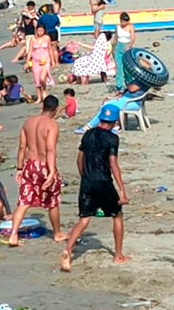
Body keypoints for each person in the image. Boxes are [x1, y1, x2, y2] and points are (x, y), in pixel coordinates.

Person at [61, 103, 130, 272]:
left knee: (84, 219)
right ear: (114, 122)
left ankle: (67, 250)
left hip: (87, 181)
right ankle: (118, 255)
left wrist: (84, 177)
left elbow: (79, 159)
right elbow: (113, 164)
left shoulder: (88, 134)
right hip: (104, 182)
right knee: (117, 215)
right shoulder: (113, 138)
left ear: (100, 118)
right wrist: (122, 189)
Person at [7, 95, 65, 246]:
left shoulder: (28, 122)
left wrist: (19, 168)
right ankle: (57, 233)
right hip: (45, 165)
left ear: (43, 107)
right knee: (52, 201)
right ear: (56, 109)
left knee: (24, 201)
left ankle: (13, 234)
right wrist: (52, 172)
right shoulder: (52, 125)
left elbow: (21, 147)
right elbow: (50, 149)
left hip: (30, 164)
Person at [74, 81, 147, 134]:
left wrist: (127, 81)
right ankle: (113, 125)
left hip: (132, 102)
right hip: (127, 100)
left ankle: (88, 127)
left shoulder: (142, 81)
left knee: (108, 106)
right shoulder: (139, 79)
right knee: (106, 103)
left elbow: (132, 89)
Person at [28, 24, 53, 102]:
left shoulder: (47, 38)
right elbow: (30, 51)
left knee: (42, 78)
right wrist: (27, 61)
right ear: (36, 30)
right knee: (37, 80)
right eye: (39, 30)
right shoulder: (32, 39)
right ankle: (39, 97)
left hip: (46, 60)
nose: (40, 32)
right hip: (36, 61)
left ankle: (44, 91)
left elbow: (50, 49)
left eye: (42, 30)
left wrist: (53, 60)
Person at [114, 13, 137, 89]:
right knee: (119, 67)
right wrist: (113, 48)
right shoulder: (117, 27)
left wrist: (129, 45)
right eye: (122, 21)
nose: (123, 23)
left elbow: (133, 38)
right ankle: (119, 85)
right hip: (118, 47)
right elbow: (115, 38)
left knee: (127, 67)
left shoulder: (131, 27)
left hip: (127, 46)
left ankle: (129, 83)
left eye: (124, 22)